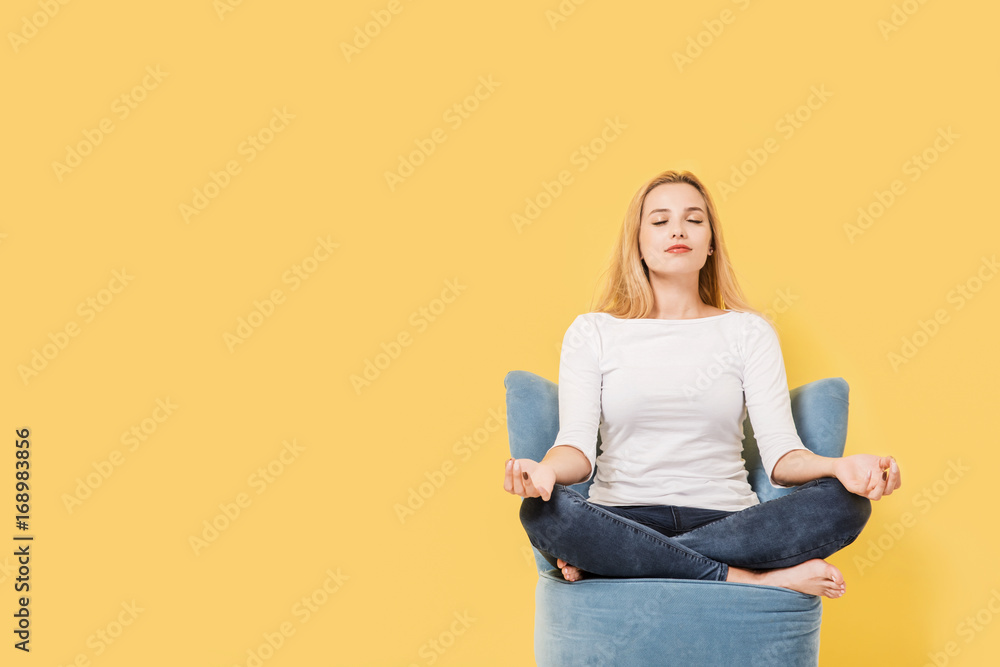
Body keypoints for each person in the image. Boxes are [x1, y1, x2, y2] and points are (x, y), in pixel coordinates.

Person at [503, 169, 901, 598]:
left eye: (694, 220)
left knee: (845, 504)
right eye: (659, 221)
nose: (678, 229)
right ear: (636, 244)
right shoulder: (593, 331)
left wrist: (839, 467)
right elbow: (576, 451)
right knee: (545, 514)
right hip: (622, 518)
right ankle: (750, 578)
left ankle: (620, 564)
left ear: (710, 243)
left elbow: (784, 459)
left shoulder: (749, 332)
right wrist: (544, 470)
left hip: (730, 521)